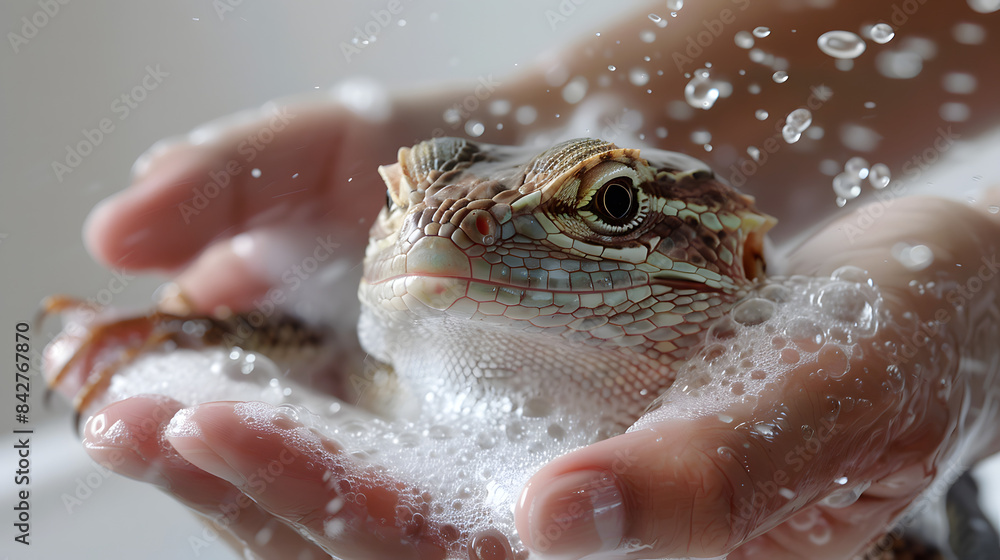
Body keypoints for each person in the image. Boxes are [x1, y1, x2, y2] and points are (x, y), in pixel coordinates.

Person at [57, 1, 1000, 558]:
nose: (438, 232)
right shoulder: (373, 362)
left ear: (733, 262)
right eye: (405, 202)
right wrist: (201, 340)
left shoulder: (819, 409)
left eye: (613, 207)